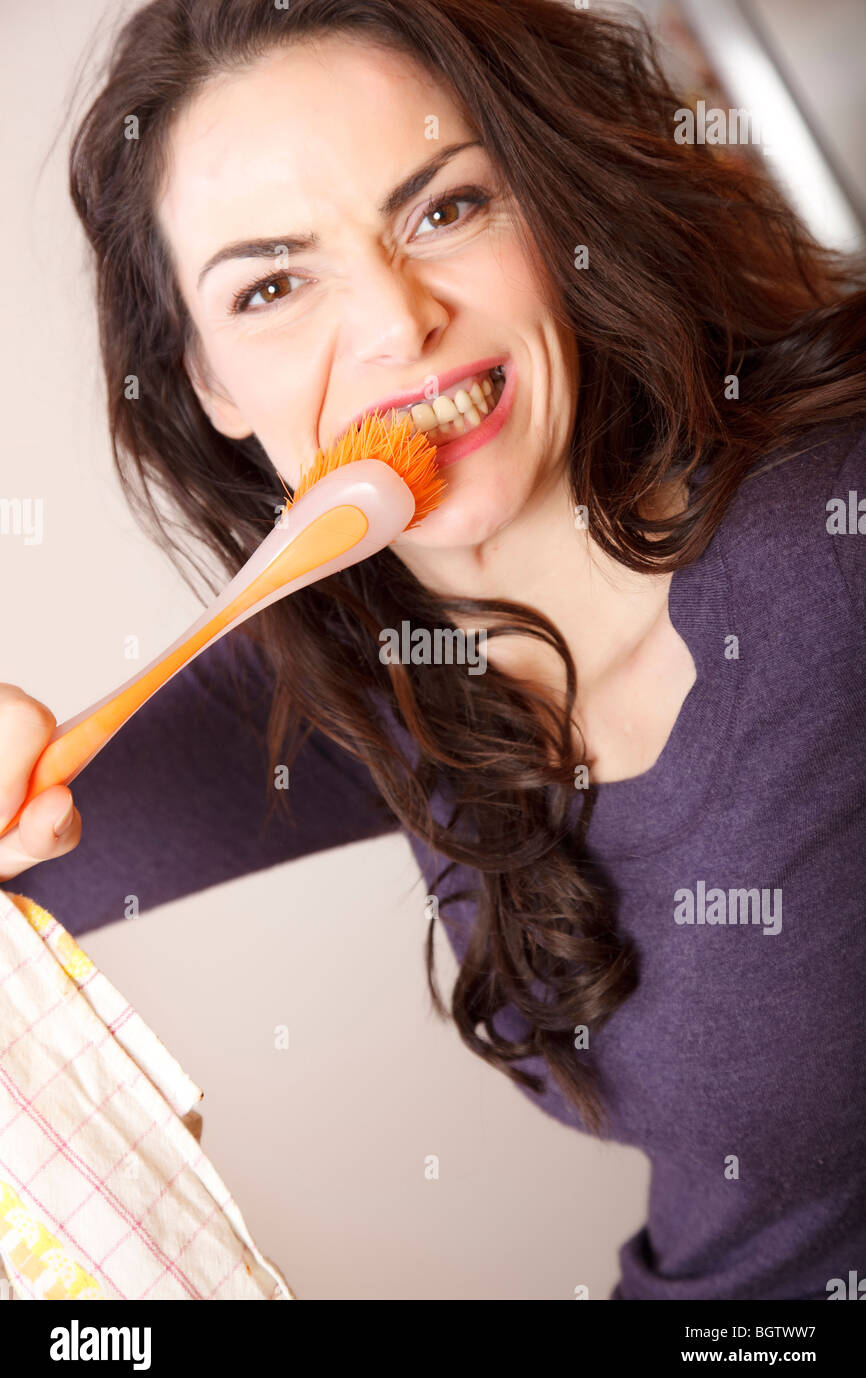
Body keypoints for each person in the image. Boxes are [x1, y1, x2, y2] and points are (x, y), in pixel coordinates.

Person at [2, 0, 865, 1300]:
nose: (399, 322)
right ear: (209, 386)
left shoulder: (831, 536)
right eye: (274, 284)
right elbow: (40, 868)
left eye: (444, 209)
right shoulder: (366, 665)